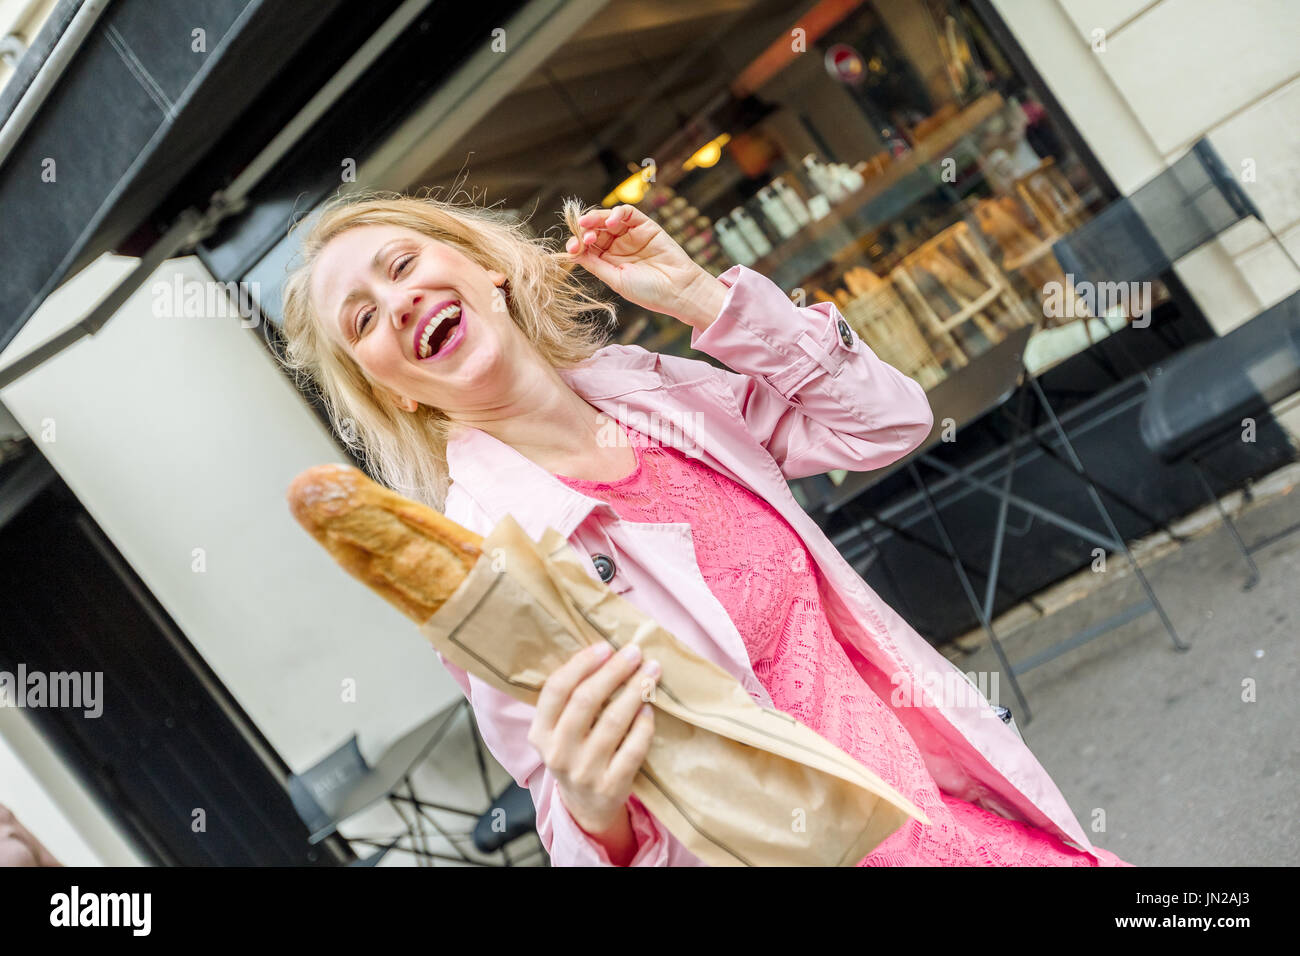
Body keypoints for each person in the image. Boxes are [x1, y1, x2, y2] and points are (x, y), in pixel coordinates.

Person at [279, 189, 1133, 867]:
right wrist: (590, 805)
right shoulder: (490, 567)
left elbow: (883, 424)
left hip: (957, 818)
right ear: (396, 392)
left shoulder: (646, 394)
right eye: (361, 320)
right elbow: (567, 822)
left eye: (401, 264)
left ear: (483, 269)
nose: (395, 302)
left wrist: (703, 299)